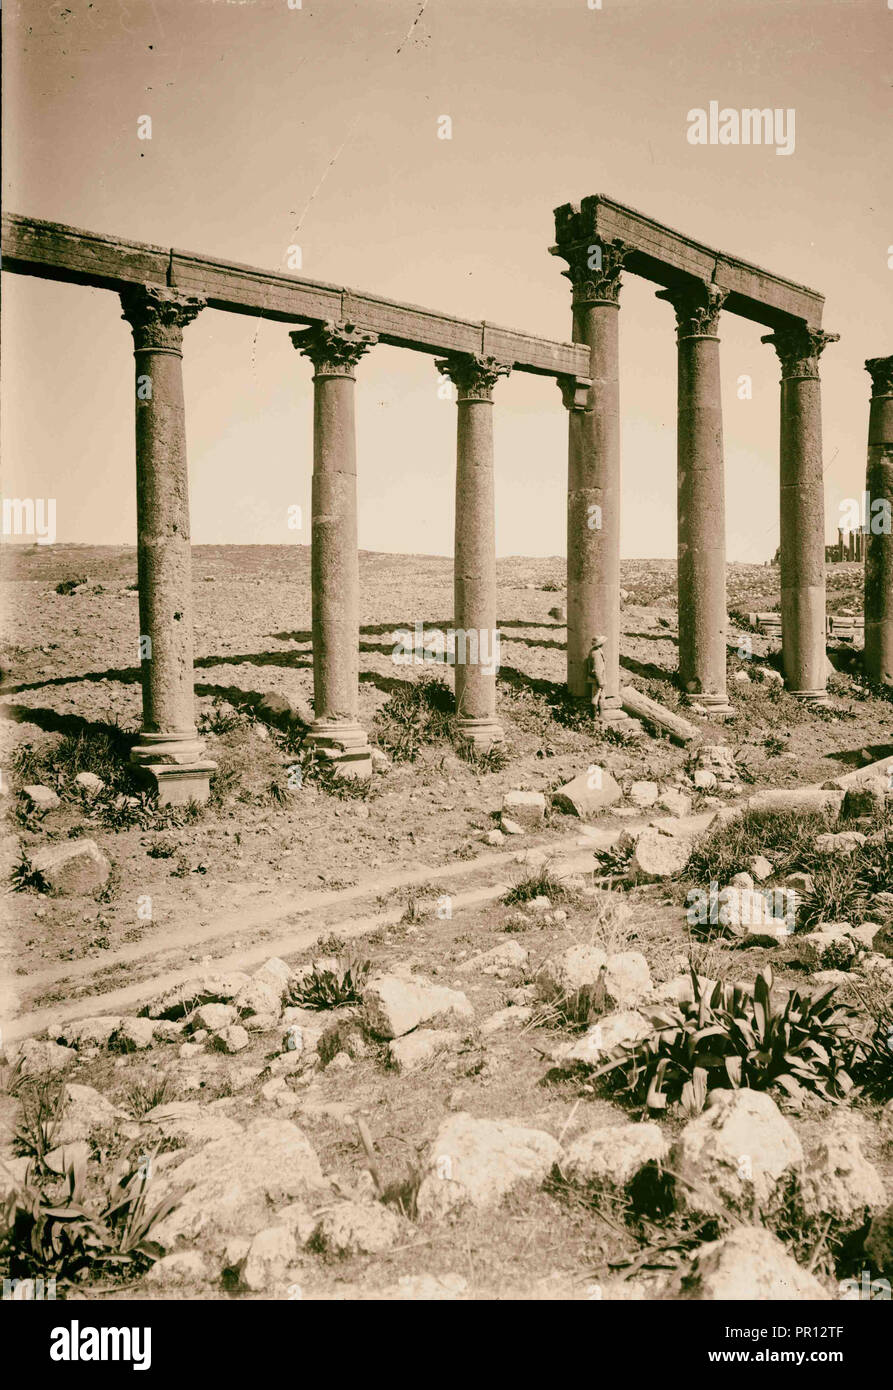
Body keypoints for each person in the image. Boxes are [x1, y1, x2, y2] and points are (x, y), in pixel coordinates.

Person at [588, 634, 607, 715]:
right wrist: (600, 682)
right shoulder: (596, 653)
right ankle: (594, 715)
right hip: (596, 679)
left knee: (600, 696)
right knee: (595, 697)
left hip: (597, 678)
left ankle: (601, 715)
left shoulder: (595, 651)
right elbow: (597, 669)